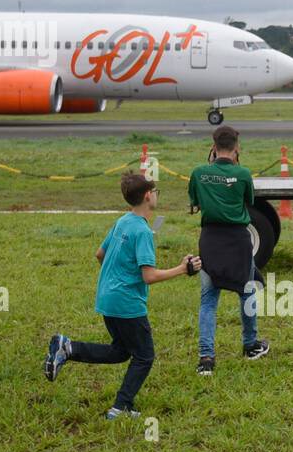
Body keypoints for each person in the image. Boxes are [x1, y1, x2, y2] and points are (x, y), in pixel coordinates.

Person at [44, 172, 201, 419]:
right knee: (144, 356)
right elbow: (148, 276)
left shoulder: (122, 222)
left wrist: (116, 280)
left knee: (121, 351)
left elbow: (99, 254)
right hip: (128, 305)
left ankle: (68, 348)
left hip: (107, 299)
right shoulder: (142, 231)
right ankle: (121, 406)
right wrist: (182, 269)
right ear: (148, 196)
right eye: (156, 191)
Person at [188, 126, 269, 374]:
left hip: (211, 240)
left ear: (213, 147)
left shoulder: (199, 173)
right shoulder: (243, 173)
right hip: (238, 241)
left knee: (209, 300)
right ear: (237, 148)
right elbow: (249, 202)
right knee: (246, 293)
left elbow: (195, 204)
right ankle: (250, 344)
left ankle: (206, 358)